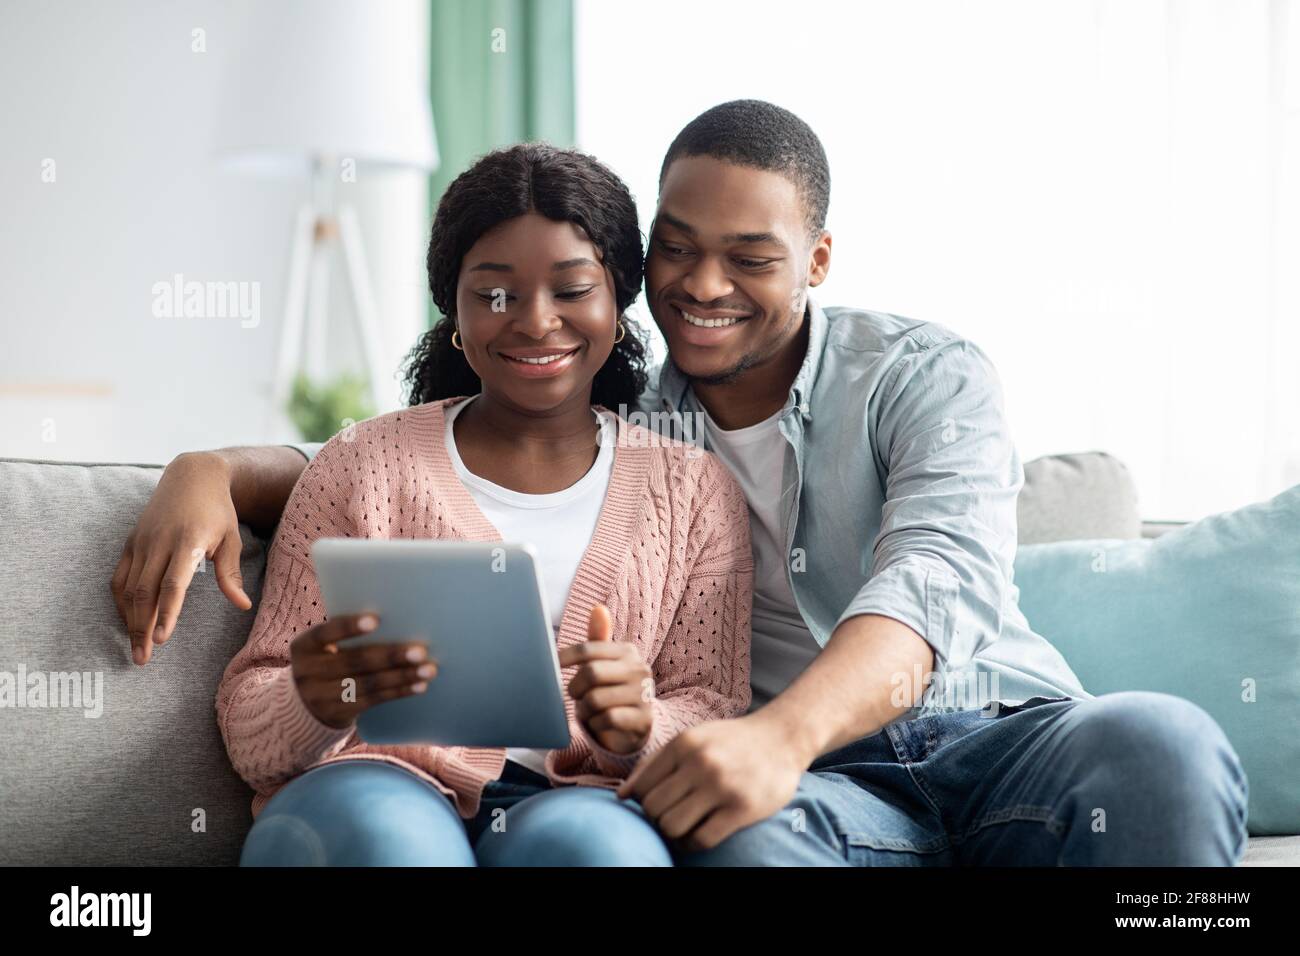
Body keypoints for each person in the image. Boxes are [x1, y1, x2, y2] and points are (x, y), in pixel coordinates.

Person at [115, 101, 1247, 866]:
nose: (703, 286)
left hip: (989, 728)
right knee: (736, 842)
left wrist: (771, 735)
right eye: (676, 248)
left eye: (750, 256)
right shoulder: (634, 425)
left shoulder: (917, 376)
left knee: (1164, 745)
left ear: (816, 259)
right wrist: (213, 466)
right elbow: (404, 463)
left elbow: (932, 582)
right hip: (812, 797)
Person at [210, 142, 753, 865]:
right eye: (496, 293)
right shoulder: (362, 464)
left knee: (601, 857)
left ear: (617, 303)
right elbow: (252, 728)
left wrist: (642, 726)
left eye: (570, 290)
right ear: (455, 312)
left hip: (585, 800)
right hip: (376, 782)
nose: (534, 321)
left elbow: (716, 712)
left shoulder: (694, 493)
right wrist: (312, 699)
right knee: (387, 844)